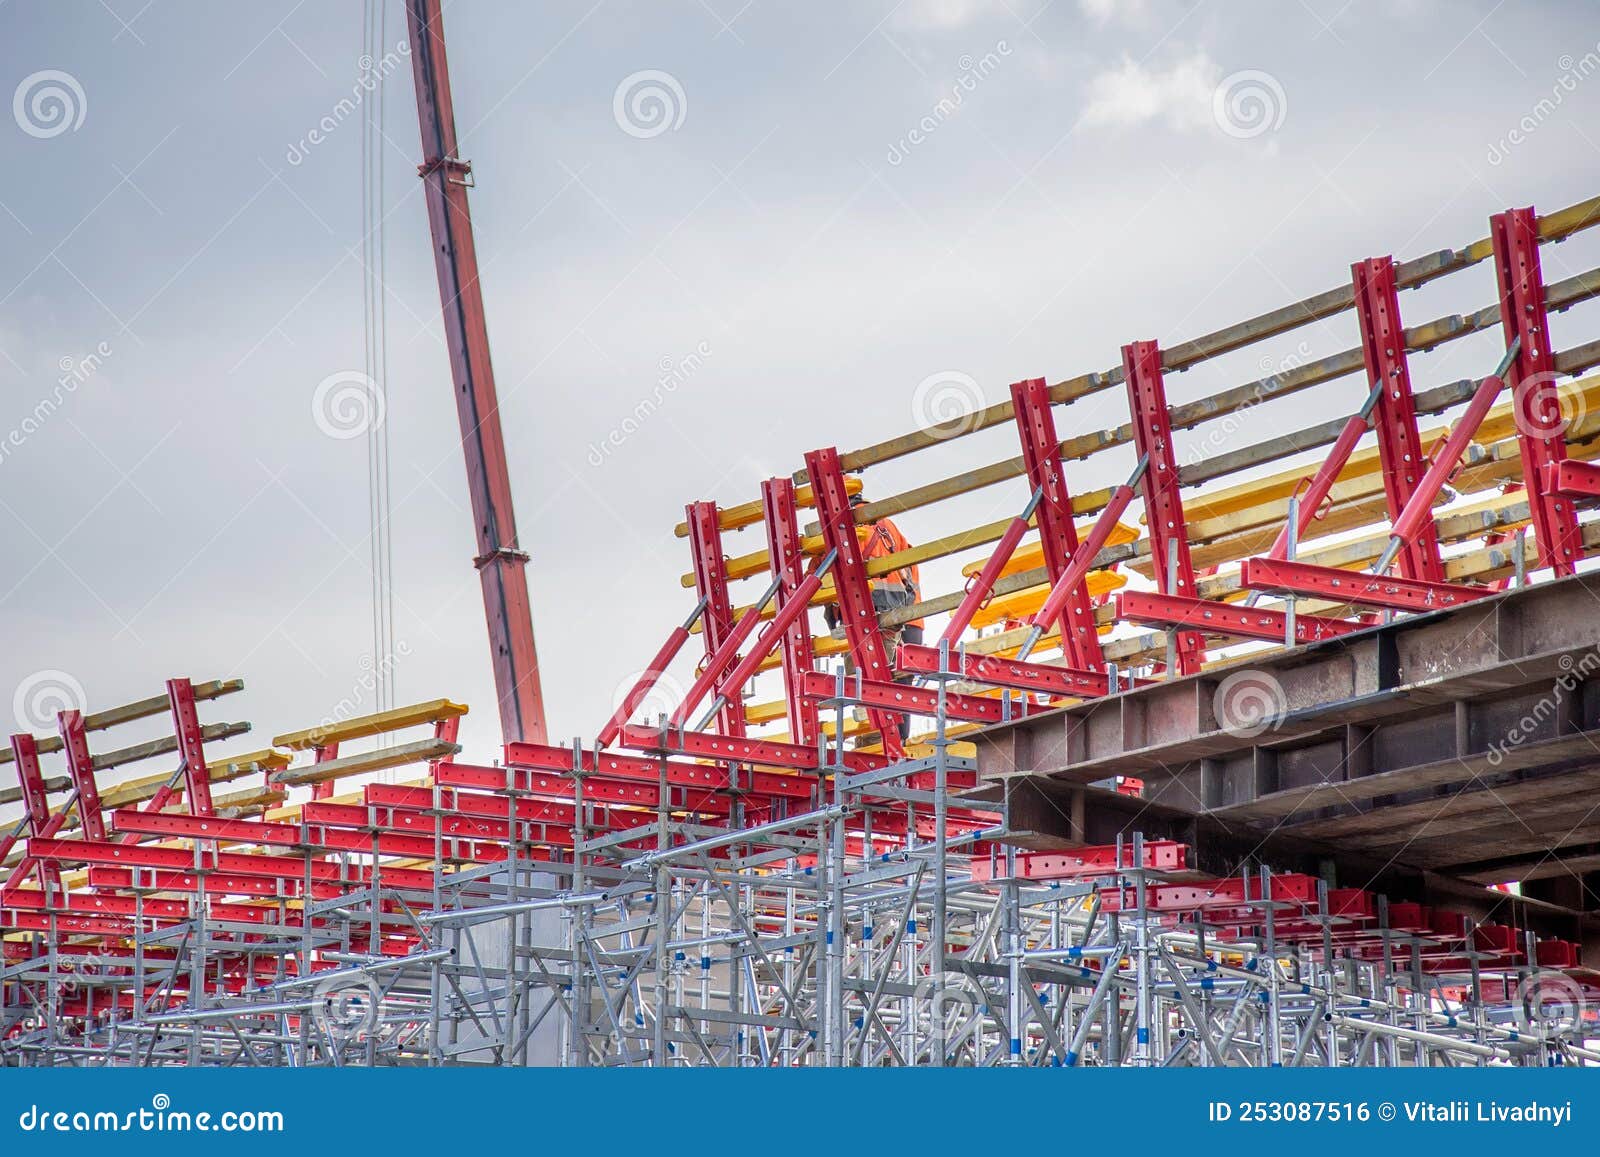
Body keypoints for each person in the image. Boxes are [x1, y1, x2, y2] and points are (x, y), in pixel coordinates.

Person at [823, 493, 923, 740]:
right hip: (909, 618)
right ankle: (898, 743)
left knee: (869, 686)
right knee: (901, 688)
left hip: (873, 618)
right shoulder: (887, 524)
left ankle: (881, 745)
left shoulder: (847, 529)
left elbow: (822, 574)